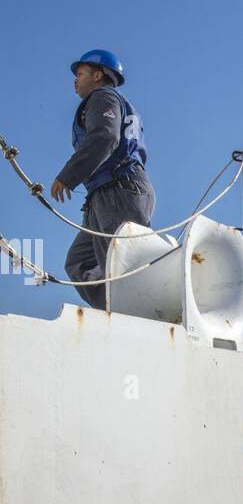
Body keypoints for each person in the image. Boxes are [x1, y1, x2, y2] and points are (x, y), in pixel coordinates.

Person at [53, 49, 155, 309]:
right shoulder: (114, 102)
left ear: (98, 75)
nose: (75, 80)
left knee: (120, 264)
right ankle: (113, 308)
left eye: (80, 73)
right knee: (80, 261)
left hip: (118, 190)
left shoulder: (102, 97)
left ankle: (129, 315)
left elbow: (105, 137)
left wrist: (68, 176)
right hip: (112, 191)